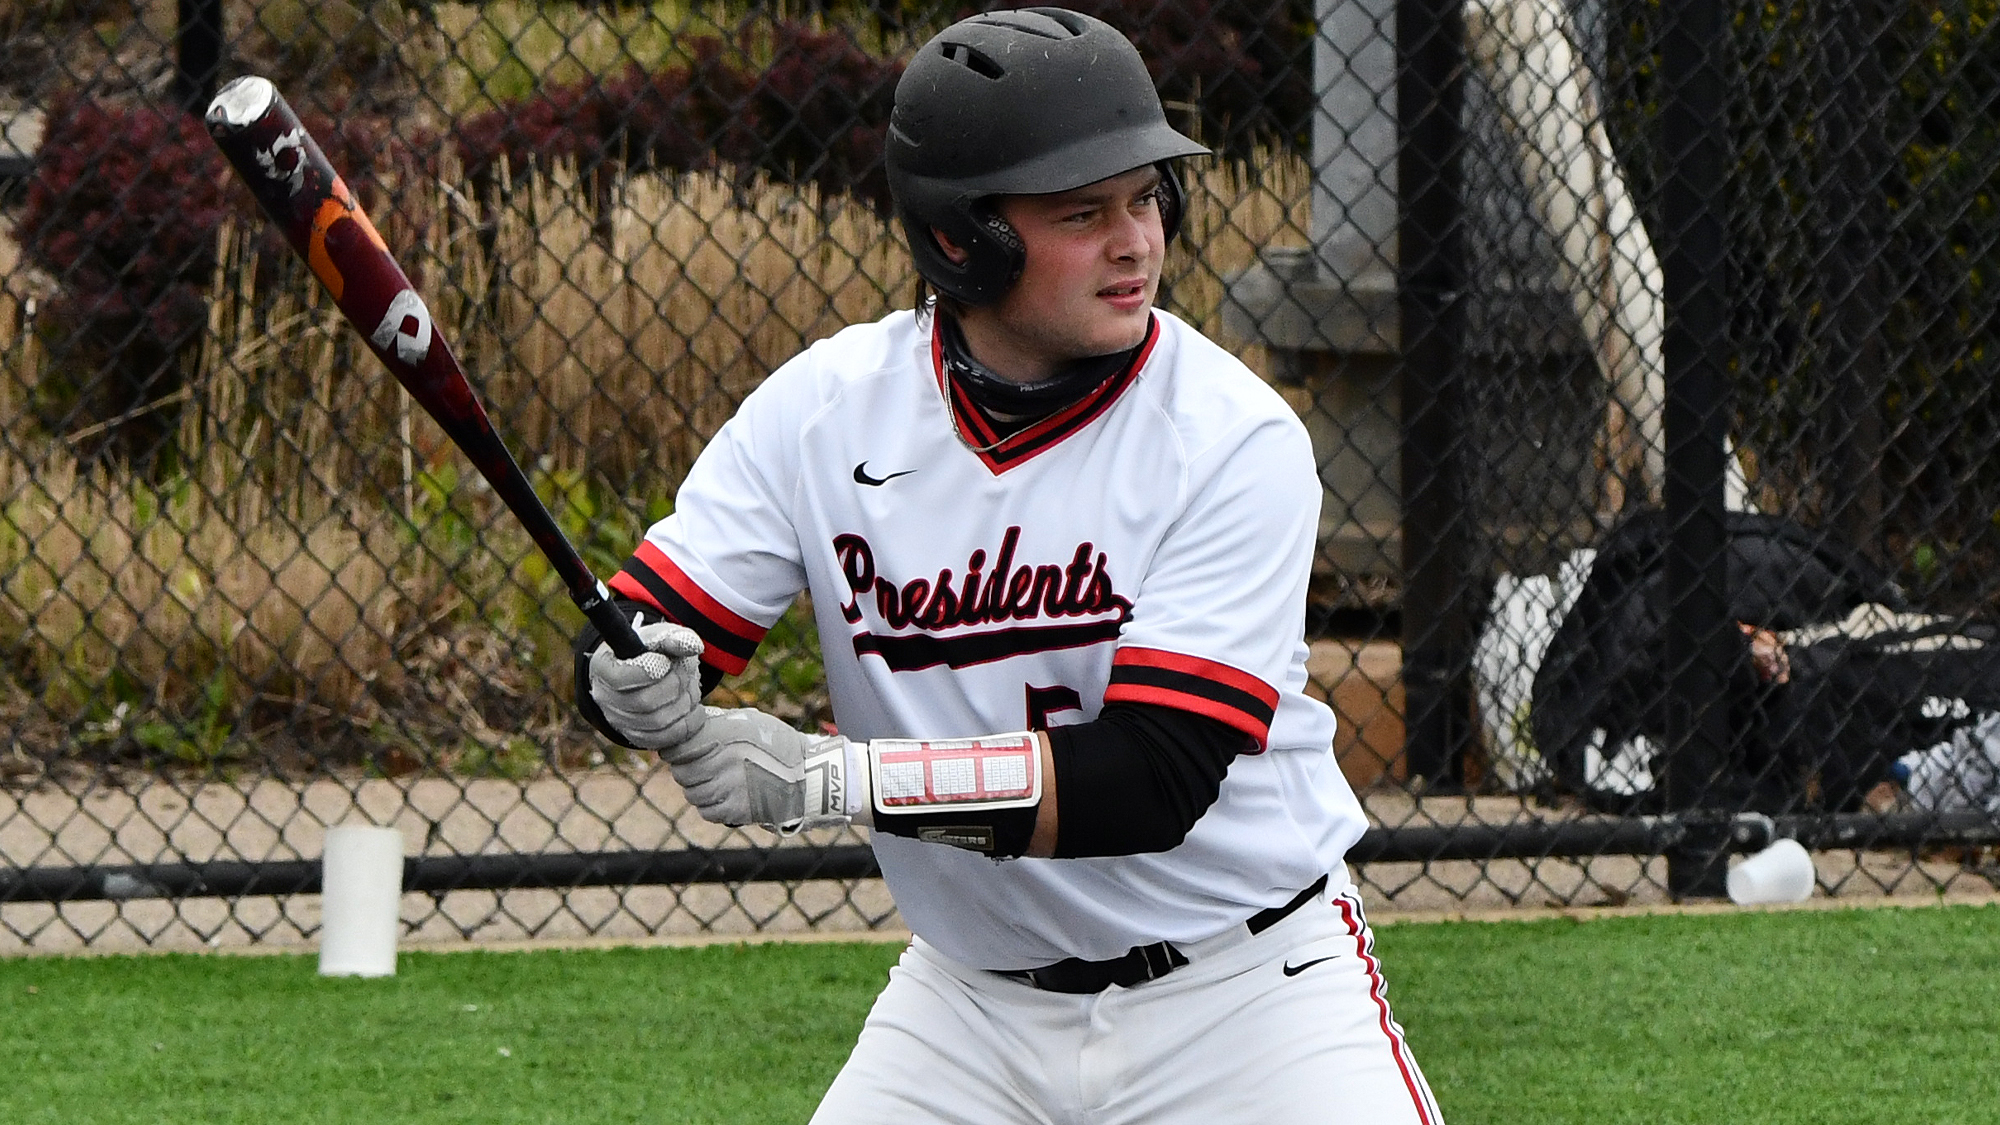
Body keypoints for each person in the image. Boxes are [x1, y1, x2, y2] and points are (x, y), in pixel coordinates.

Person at [575, 9, 1443, 1123]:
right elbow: (659, 627)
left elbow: (1150, 778)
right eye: (1084, 213)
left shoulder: (1230, 435)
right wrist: (628, 679)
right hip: (970, 1011)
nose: (1136, 243)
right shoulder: (824, 412)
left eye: (1144, 199)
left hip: (1246, 999)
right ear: (959, 240)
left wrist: (832, 780)